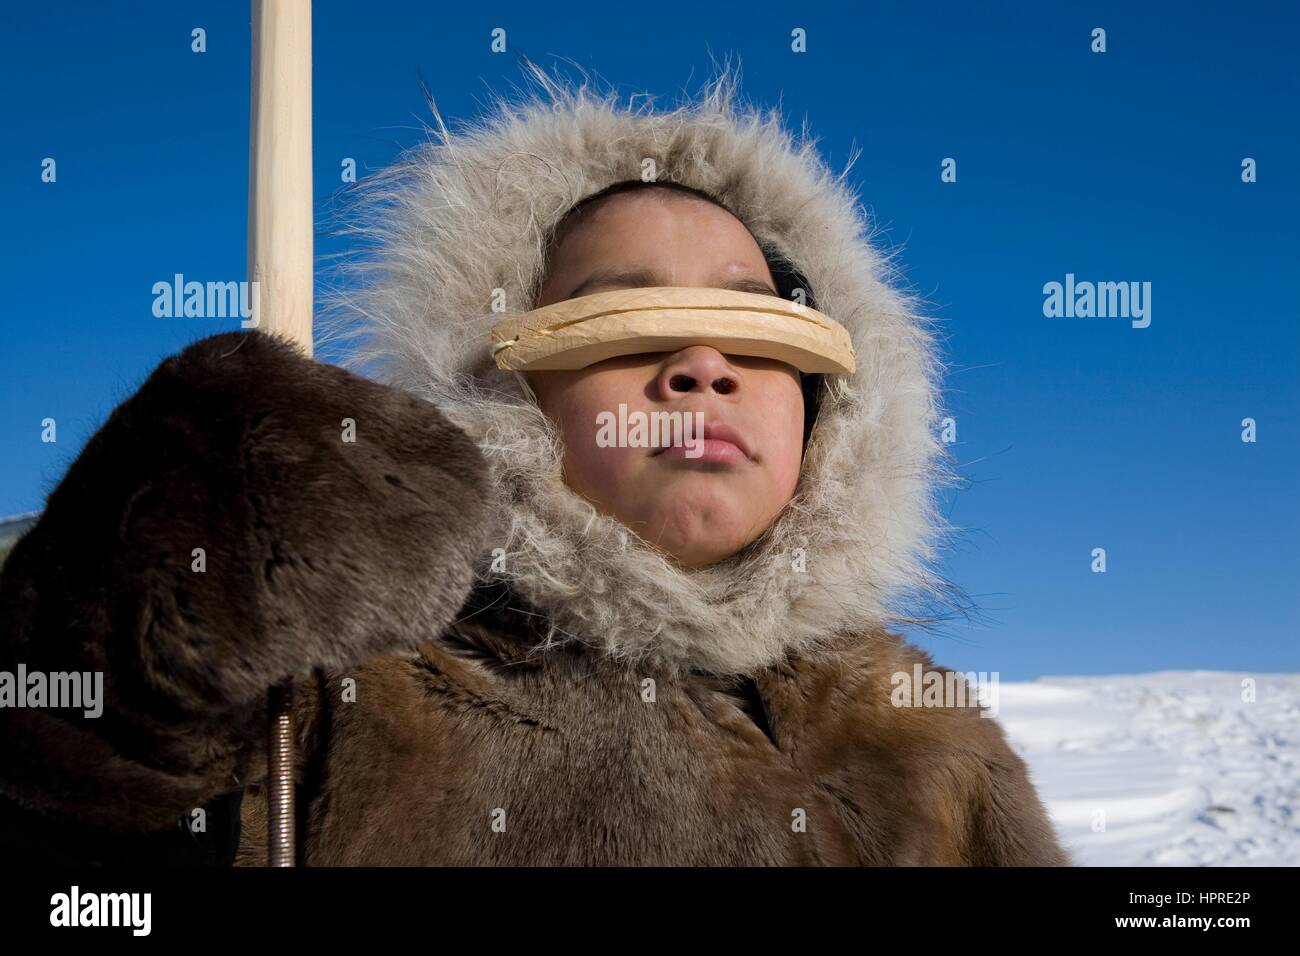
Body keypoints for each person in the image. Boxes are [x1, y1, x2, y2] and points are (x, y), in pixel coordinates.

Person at [0, 64, 1070, 865]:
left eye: (758, 331)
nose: (701, 363)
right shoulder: (326, 675)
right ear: (512, 383)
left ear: (827, 404)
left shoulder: (930, 744)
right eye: (620, 319)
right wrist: (150, 603)